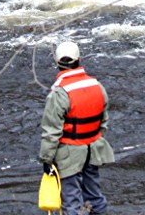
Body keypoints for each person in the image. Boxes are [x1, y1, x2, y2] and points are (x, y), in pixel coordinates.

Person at [39, 41, 114, 215]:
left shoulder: (59, 92)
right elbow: (104, 121)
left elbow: (51, 131)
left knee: (71, 200)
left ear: (57, 62)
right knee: (95, 196)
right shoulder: (97, 85)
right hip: (94, 149)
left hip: (69, 154)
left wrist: (47, 160)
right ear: (79, 60)